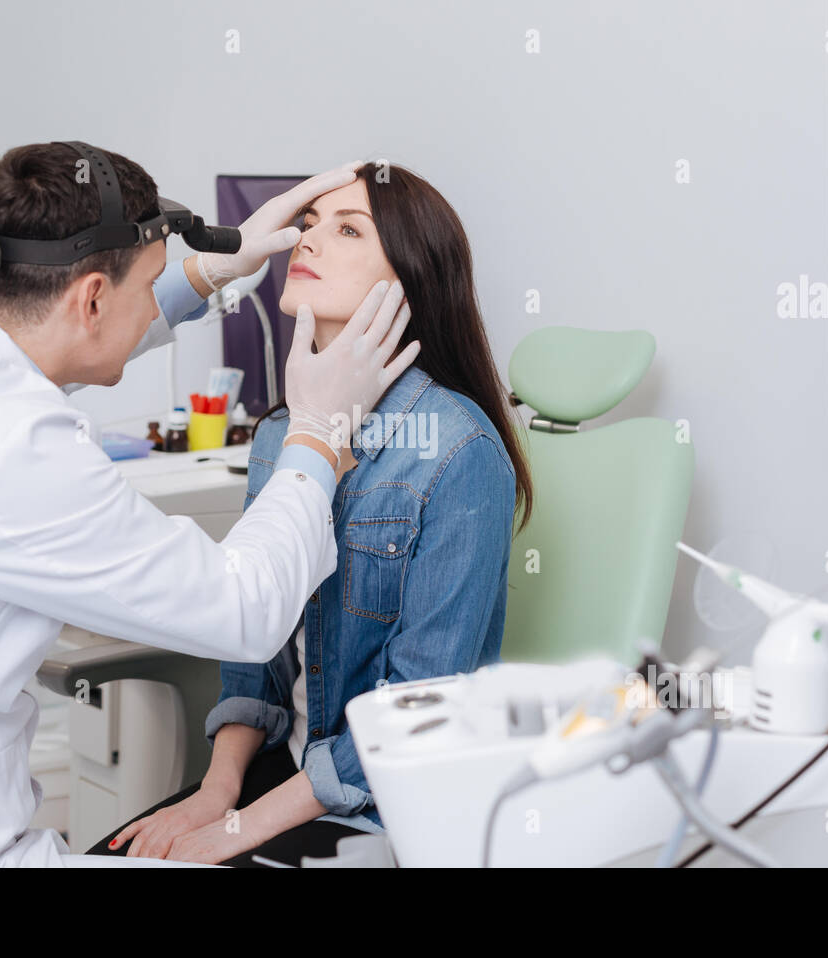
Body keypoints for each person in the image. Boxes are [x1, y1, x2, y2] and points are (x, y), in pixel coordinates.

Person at [0, 143, 418, 867]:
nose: (312, 240)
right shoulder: (14, 453)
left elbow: (46, 345)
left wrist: (209, 271)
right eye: (150, 287)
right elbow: (243, 612)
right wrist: (317, 432)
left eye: (348, 230)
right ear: (92, 297)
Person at [91, 163, 533, 866]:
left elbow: (414, 714)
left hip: (388, 805)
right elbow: (252, 656)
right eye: (309, 223)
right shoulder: (283, 436)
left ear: (410, 279)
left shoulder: (457, 452)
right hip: (282, 776)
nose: (308, 241)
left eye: (348, 228)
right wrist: (216, 792)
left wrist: (238, 830)